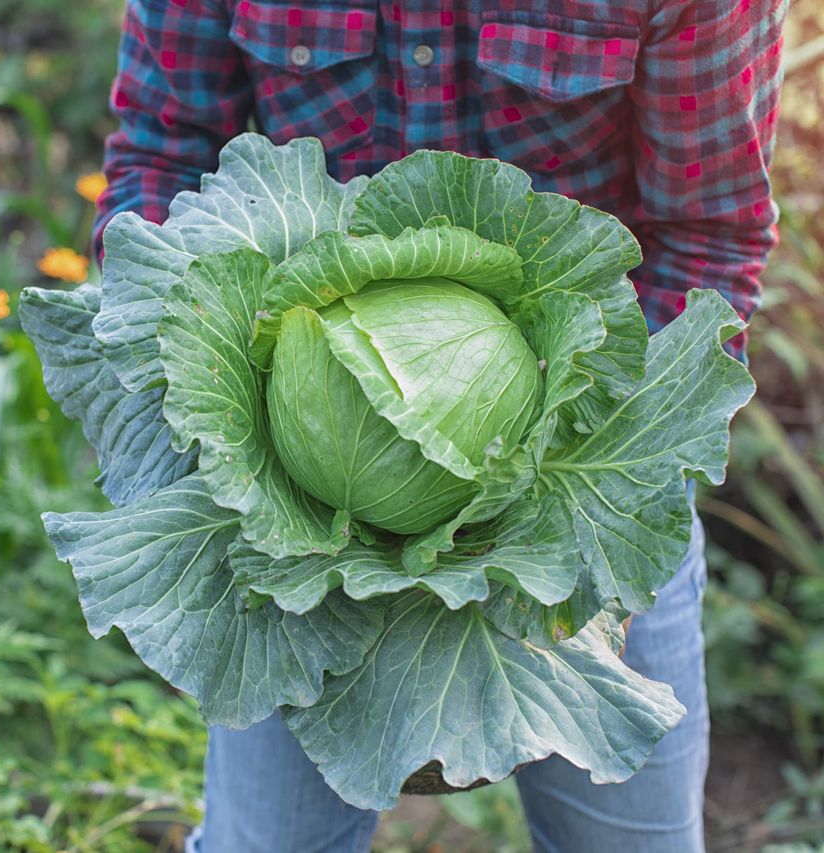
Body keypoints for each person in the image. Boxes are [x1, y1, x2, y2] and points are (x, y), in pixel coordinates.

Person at [92, 2, 787, 850]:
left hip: (585, 486)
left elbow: (710, 235)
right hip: (288, 515)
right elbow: (164, 154)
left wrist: (564, 489)